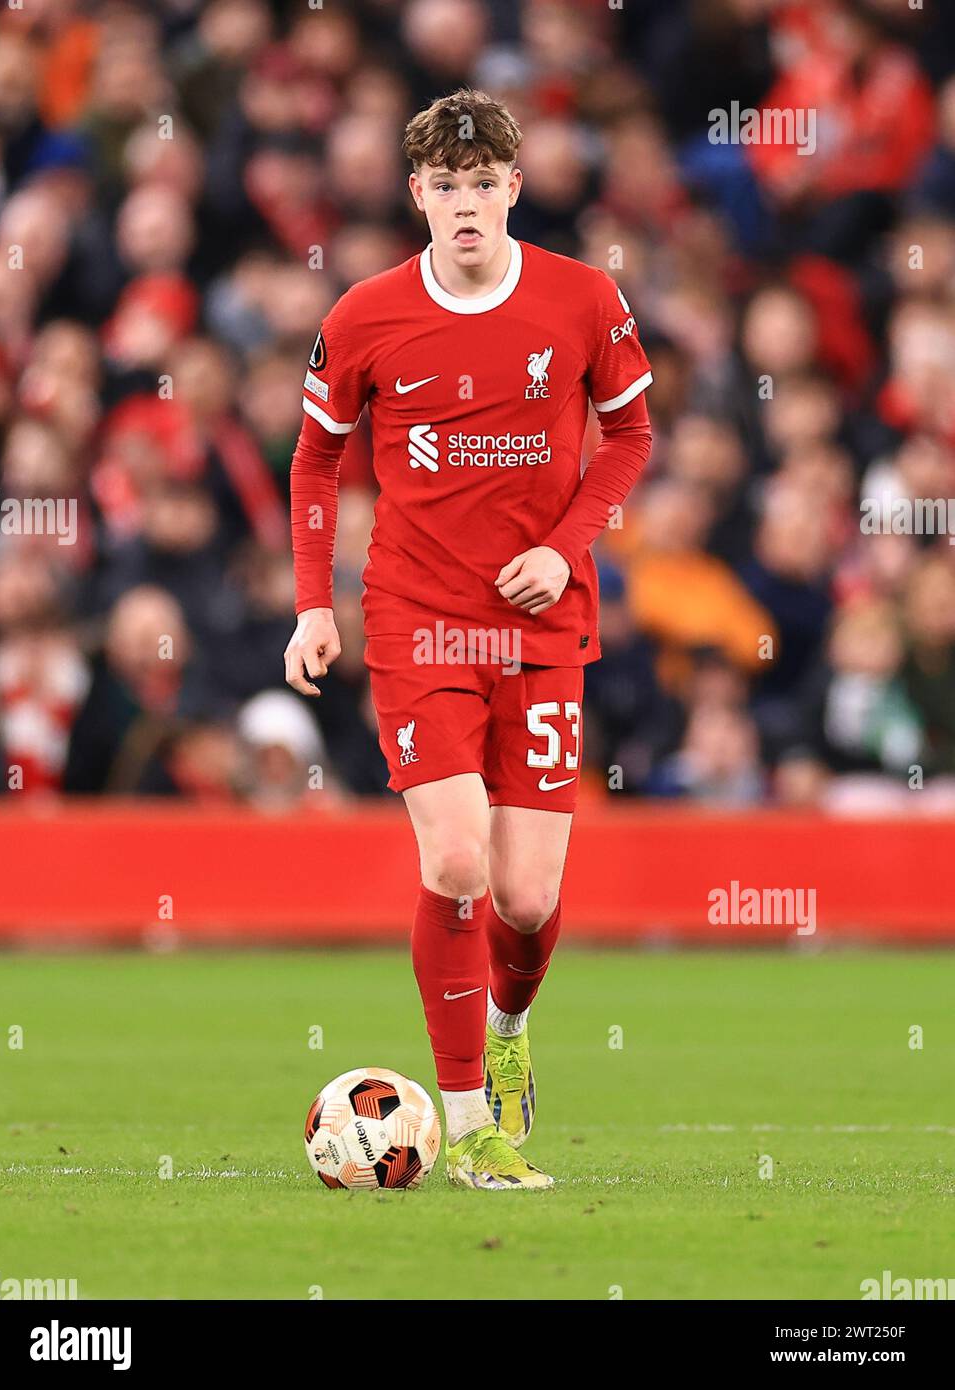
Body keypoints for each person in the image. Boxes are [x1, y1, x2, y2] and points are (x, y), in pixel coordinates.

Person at [285, 89, 653, 1190]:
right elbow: (315, 461)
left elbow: (631, 433)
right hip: (416, 618)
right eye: (444, 187)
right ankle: (468, 1123)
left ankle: (507, 1027)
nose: (464, 205)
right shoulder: (363, 316)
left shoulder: (583, 299)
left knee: (528, 899)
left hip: (543, 622)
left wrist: (568, 542)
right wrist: (314, 602)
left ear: (514, 189)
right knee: (454, 862)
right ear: (416, 195)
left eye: (483, 184)